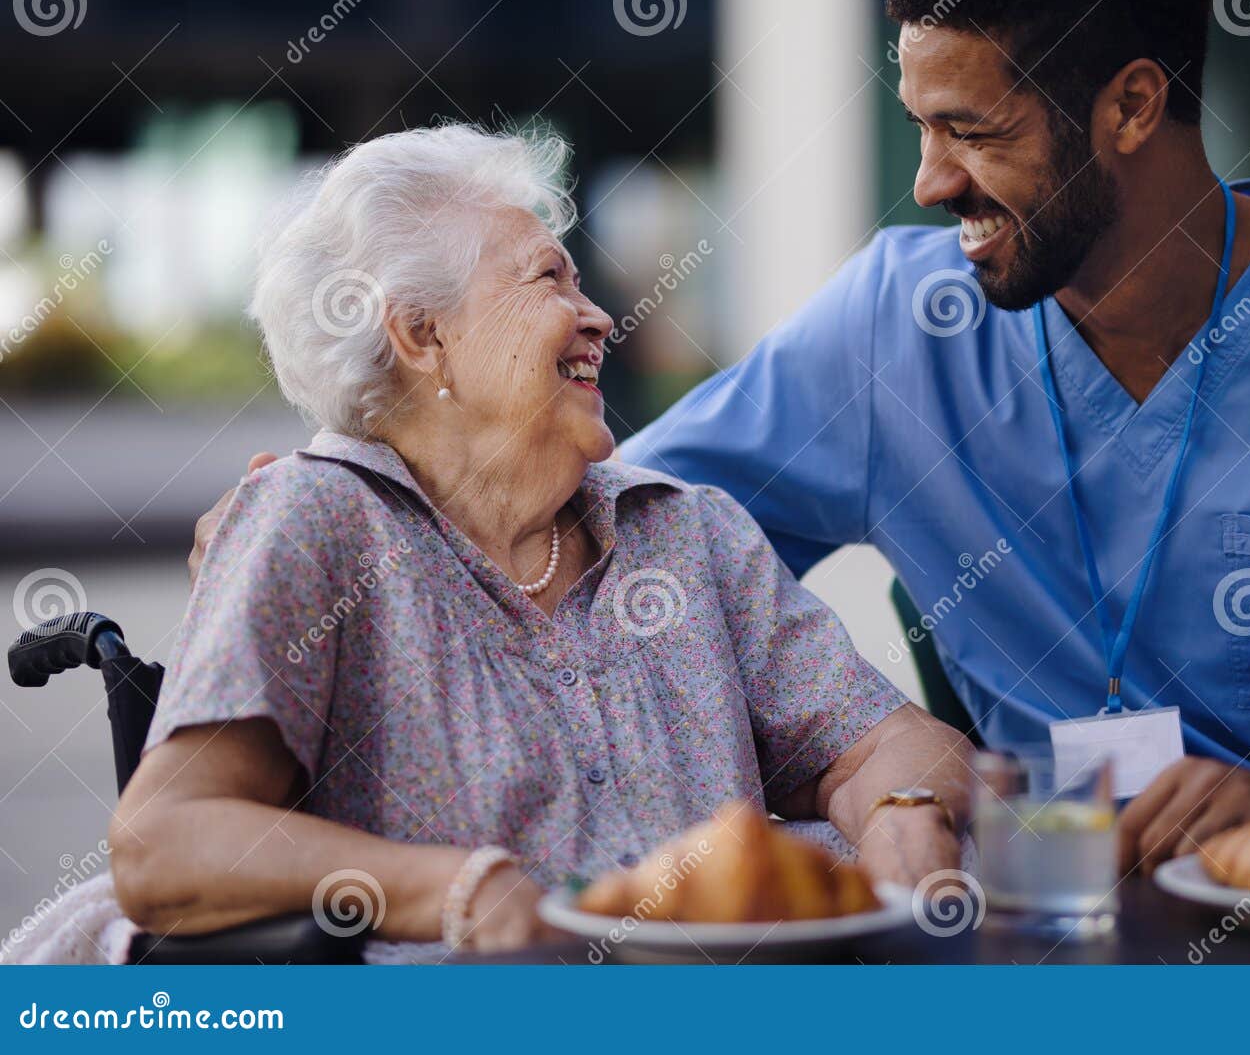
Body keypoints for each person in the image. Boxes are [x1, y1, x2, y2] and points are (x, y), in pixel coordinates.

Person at [192, 0, 1250, 880]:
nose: (927, 184)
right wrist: (344, 474)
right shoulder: (894, 322)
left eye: (970, 132)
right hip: (1073, 926)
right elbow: (585, 506)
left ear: (1130, 106)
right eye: (916, 126)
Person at [119, 124, 966, 954]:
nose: (598, 316)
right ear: (422, 335)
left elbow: (886, 744)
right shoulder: (315, 519)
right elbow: (166, 841)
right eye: (548, 279)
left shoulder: (684, 530)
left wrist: (905, 817)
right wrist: (458, 891)